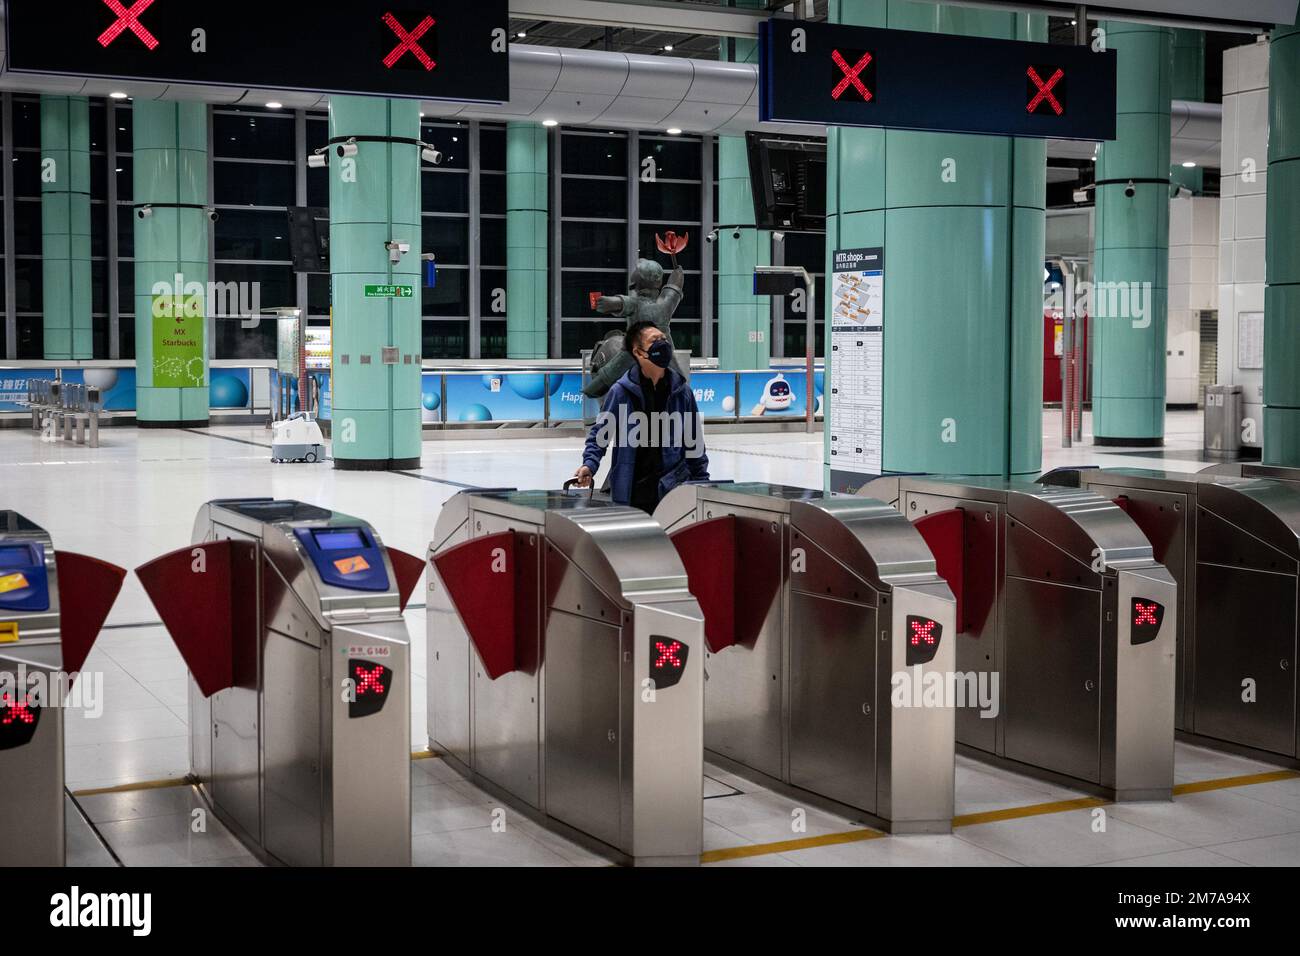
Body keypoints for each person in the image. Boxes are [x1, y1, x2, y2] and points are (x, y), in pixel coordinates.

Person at [574, 320, 709, 512]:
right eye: (655, 340)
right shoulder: (620, 392)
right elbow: (600, 435)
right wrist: (589, 464)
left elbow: (694, 443)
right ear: (638, 352)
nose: (663, 344)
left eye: (663, 339)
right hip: (633, 492)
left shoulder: (682, 392)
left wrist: (702, 482)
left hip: (673, 490)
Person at [582, 258, 685, 398]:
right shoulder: (666, 302)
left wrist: (605, 303)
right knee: (679, 381)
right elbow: (675, 284)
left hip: (634, 351)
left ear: (637, 282)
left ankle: (591, 390)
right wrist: (678, 270)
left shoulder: (635, 303)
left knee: (609, 373)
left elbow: (618, 303)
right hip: (664, 350)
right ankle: (681, 394)